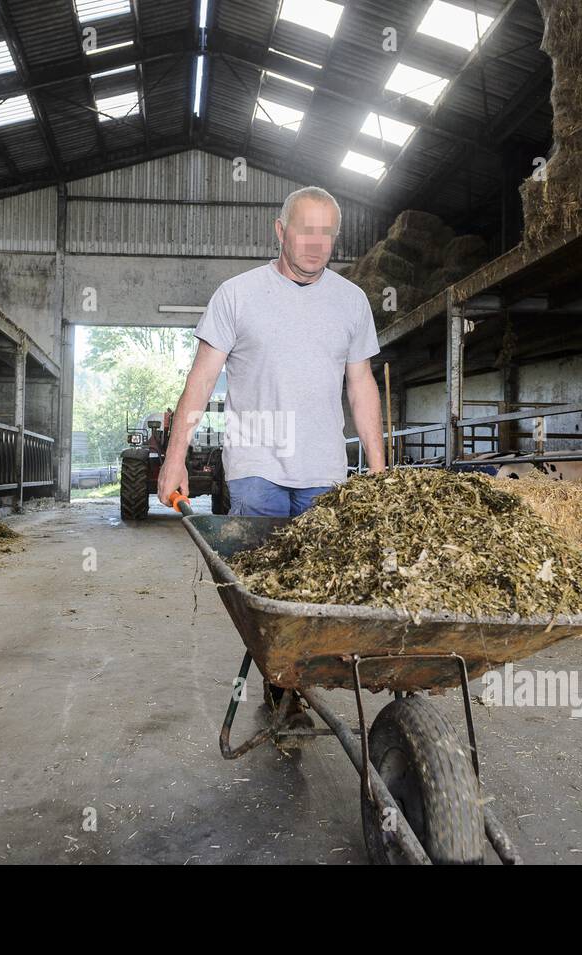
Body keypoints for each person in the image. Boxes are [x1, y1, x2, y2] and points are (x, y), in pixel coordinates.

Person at [156, 185, 386, 726]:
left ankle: (297, 680)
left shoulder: (351, 301)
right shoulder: (237, 295)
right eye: (304, 229)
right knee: (267, 589)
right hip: (256, 467)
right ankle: (281, 682)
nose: (315, 244)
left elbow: (362, 388)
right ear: (279, 231)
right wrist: (175, 457)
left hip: (325, 470)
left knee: (324, 585)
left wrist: (378, 470)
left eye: (326, 232)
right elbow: (200, 383)